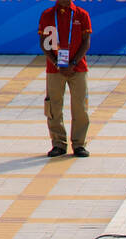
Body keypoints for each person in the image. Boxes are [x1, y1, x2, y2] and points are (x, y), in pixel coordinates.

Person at [38, 0, 91, 158]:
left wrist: (73, 63)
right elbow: (43, 43)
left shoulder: (81, 14)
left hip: (78, 68)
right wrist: (56, 63)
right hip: (55, 69)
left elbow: (86, 42)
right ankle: (58, 144)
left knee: (80, 107)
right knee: (53, 106)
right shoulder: (48, 15)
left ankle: (79, 144)